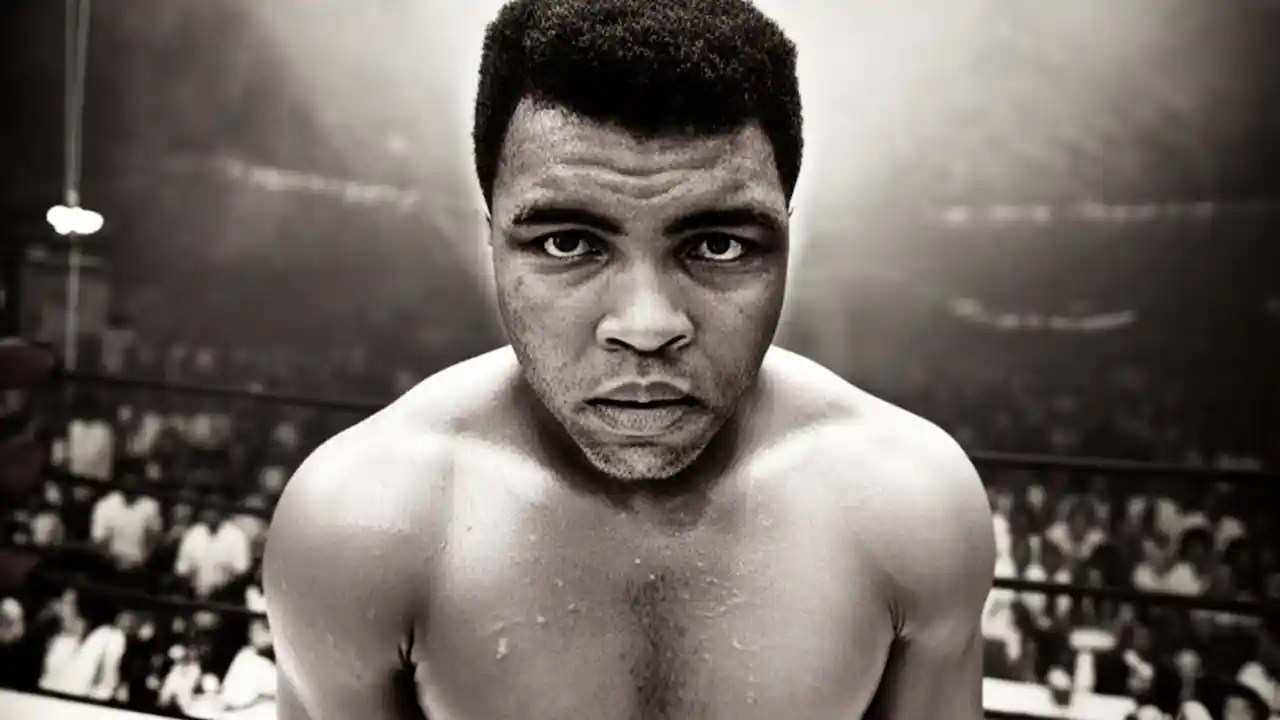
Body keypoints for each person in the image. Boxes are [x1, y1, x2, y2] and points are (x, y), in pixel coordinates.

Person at [264, 1, 995, 718]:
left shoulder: (911, 510)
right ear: (491, 239)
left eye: (718, 245)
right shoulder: (361, 528)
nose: (647, 326)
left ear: (785, 242)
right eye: (567, 242)